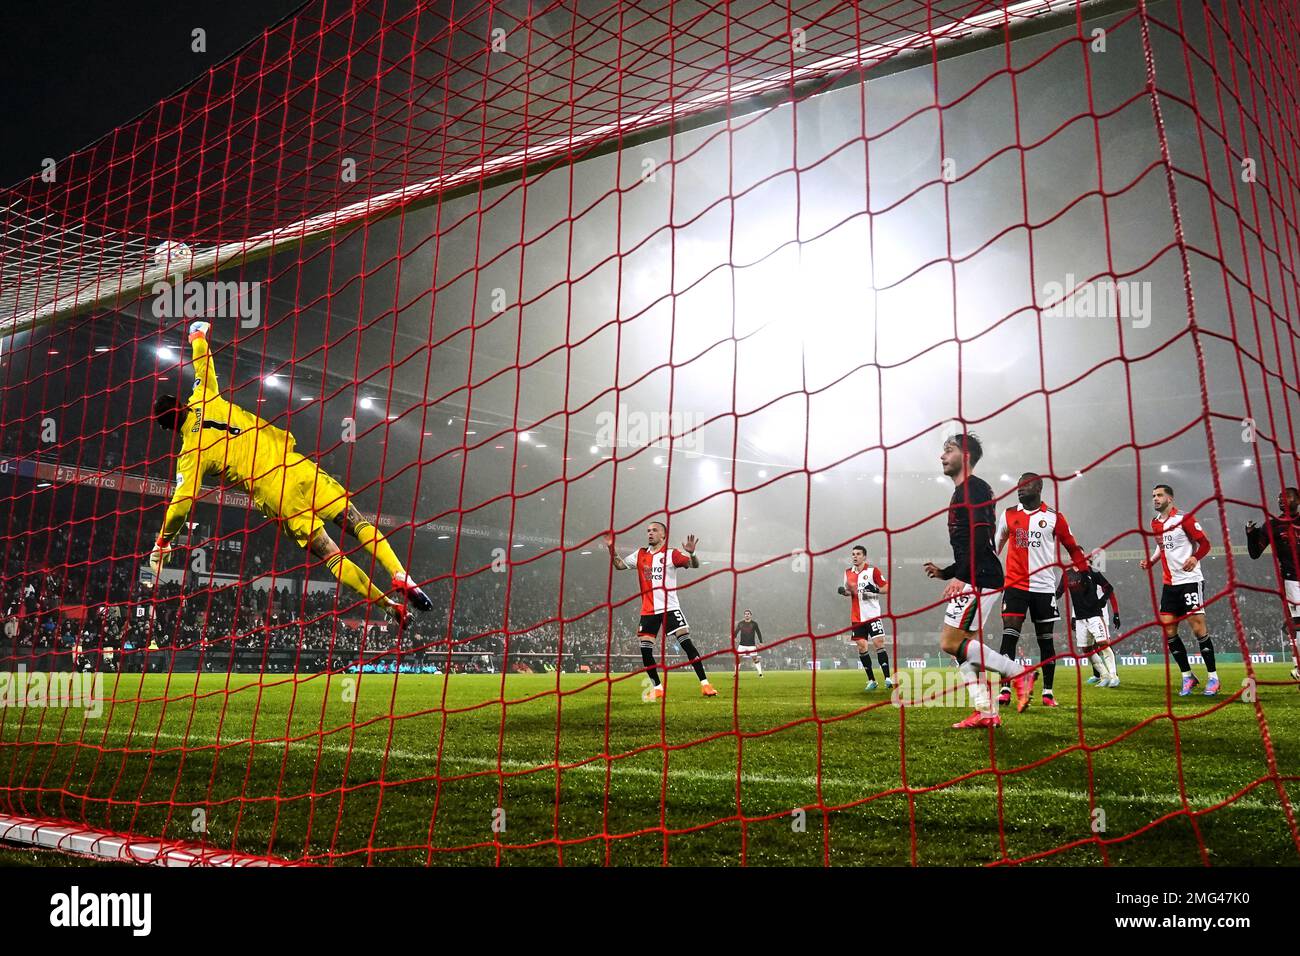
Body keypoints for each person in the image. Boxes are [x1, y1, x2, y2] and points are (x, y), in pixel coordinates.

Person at [148, 322, 430, 627]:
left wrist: (164, 541)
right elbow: (203, 362)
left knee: (330, 554)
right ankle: (399, 573)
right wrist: (198, 336)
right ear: (181, 403)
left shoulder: (191, 454)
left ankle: (388, 606)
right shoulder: (204, 396)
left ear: (167, 428)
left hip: (275, 495)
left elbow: (182, 502)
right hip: (294, 467)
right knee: (356, 522)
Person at [923, 433, 1035, 729]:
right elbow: (970, 543)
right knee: (965, 650)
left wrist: (961, 576)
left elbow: (979, 537)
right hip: (977, 573)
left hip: (980, 576)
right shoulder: (964, 490)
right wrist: (947, 572)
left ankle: (1018, 673)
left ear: (966, 456)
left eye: (948, 450)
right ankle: (986, 712)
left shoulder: (974, 488)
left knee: (949, 642)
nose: (942, 456)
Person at [993, 473, 1089, 708]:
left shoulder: (1054, 517)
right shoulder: (1008, 514)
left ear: (1038, 487)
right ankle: (1005, 689)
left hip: (1043, 587)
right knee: (1009, 634)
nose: (1019, 489)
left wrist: (1084, 571)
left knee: (1045, 640)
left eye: (1025, 486)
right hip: (1015, 585)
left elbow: (1072, 547)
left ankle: (1047, 692)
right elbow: (995, 547)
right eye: (1018, 486)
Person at [605, 521, 716, 698]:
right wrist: (611, 548)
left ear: (663, 535)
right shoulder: (640, 554)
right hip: (648, 610)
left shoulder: (671, 554)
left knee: (687, 644)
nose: (650, 533)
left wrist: (692, 553)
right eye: (648, 531)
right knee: (645, 651)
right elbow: (619, 565)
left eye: (654, 530)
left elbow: (695, 565)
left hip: (670, 608)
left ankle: (705, 684)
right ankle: (658, 688)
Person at [1139, 483, 1216, 696]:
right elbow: (1161, 546)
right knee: (1169, 631)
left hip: (1190, 580)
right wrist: (1151, 561)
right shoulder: (1155, 523)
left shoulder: (1184, 518)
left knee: (1198, 629)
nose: (1155, 498)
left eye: (1159, 495)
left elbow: (1205, 544)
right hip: (1169, 584)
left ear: (1170, 499)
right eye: (1153, 495)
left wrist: (1194, 557)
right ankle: (1187, 676)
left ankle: (1213, 678)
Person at [1245, 487, 1300, 687]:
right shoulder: (1273, 525)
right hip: (1292, 581)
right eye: (1279, 498)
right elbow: (1254, 553)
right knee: (1297, 625)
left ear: (1298, 500)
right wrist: (1251, 534)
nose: (1283, 501)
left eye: (1287, 497)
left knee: (1295, 625)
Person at [836, 544, 893, 691]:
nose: (855, 556)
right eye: (853, 554)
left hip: (873, 615)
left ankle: (887, 677)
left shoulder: (873, 571)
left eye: (858, 554)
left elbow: (886, 588)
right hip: (857, 616)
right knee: (861, 646)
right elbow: (850, 592)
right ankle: (872, 680)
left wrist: (876, 589)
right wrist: (844, 592)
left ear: (864, 556)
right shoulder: (848, 572)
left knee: (878, 643)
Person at [1058, 562, 1121, 687]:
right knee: (1086, 650)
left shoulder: (1092, 572)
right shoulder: (1068, 574)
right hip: (1080, 618)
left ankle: (1114, 676)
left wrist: (1104, 602)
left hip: (1095, 615)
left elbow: (1109, 588)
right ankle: (1104, 675)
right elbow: (1060, 591)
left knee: (1103, 644)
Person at [733, 609, 764, 677]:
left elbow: (758, 633)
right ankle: (736, 673)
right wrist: (733, 637)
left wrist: (761, 642)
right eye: (745, 614)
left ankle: (760, 673)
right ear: (744, 615)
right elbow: (736, 631)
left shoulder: (754, 624)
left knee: (755, 658)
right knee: (738, 658)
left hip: (751, 645)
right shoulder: (741, 623)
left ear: (750, 615)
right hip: (742, 645)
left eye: (748, 614)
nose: (746, 615)